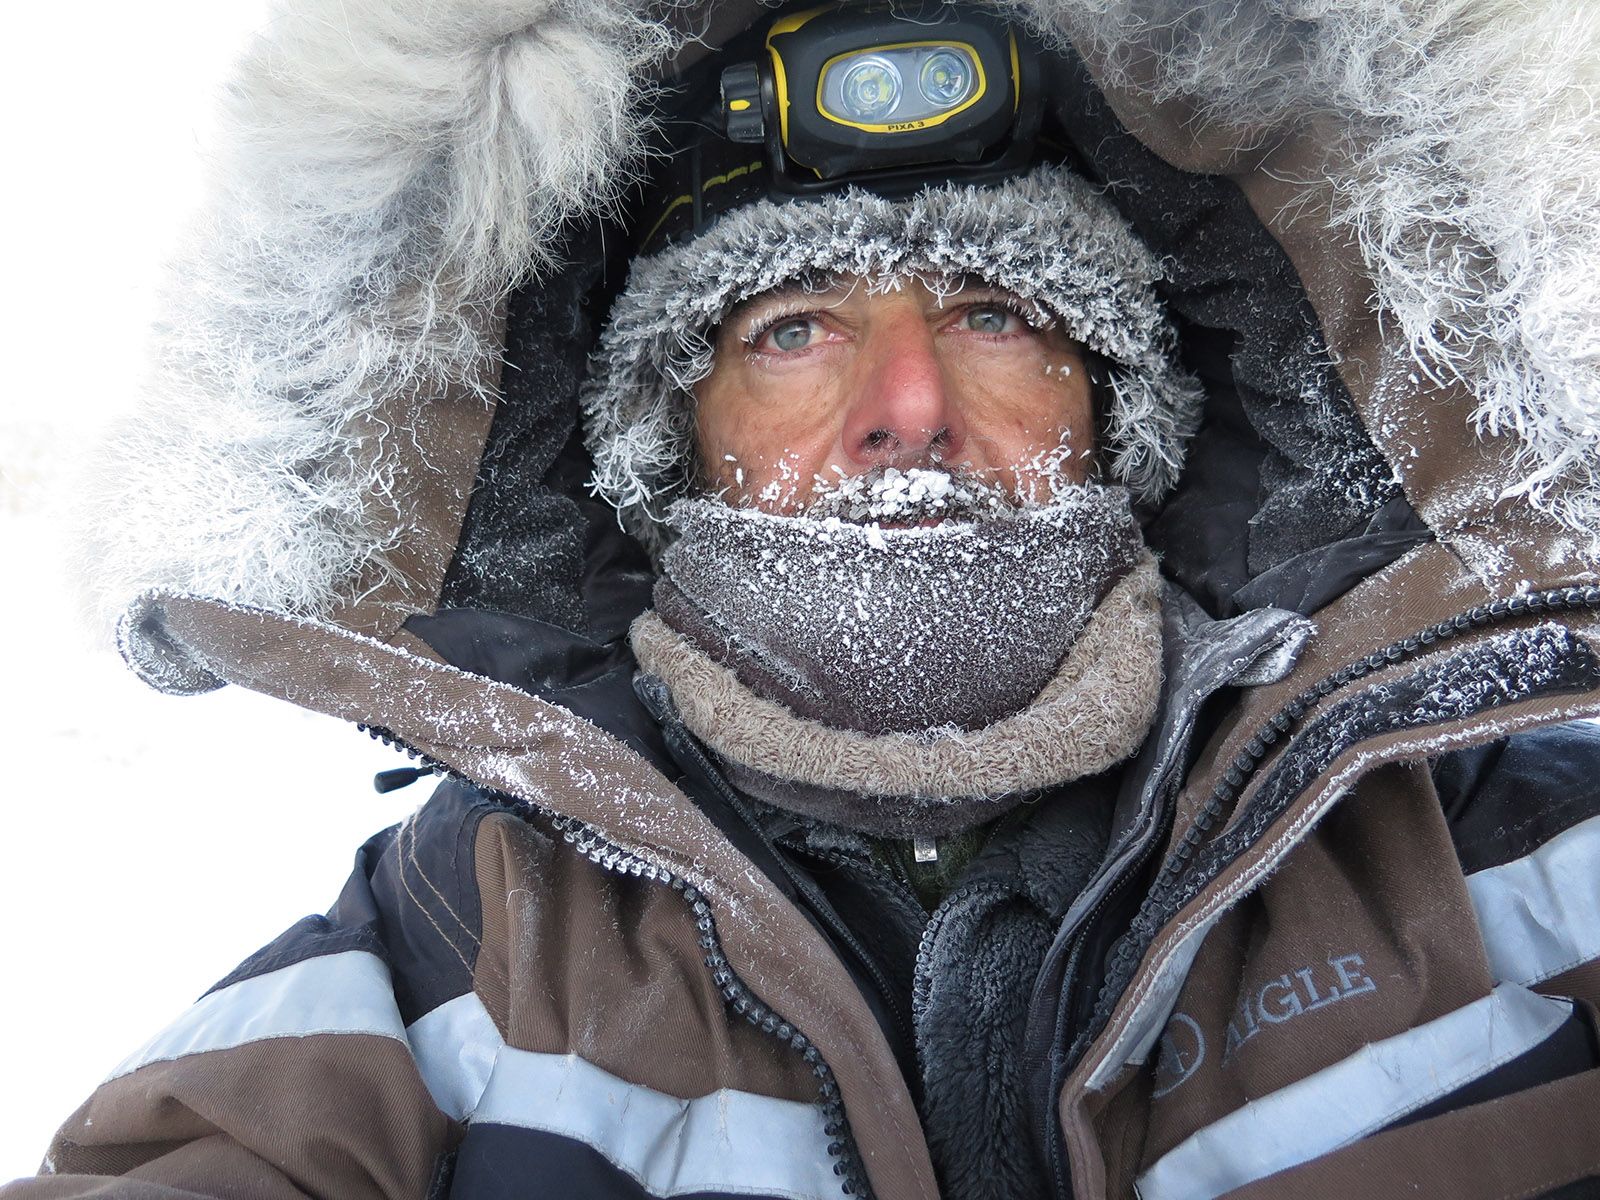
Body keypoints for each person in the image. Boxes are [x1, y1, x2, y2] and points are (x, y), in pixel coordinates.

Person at [8, 1, 1600, 1198]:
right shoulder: (455, 954)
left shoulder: (1506, 857)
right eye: (790, 328)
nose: (905, 400)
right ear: (662, 440)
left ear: (1121, 410)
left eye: (994, 312)